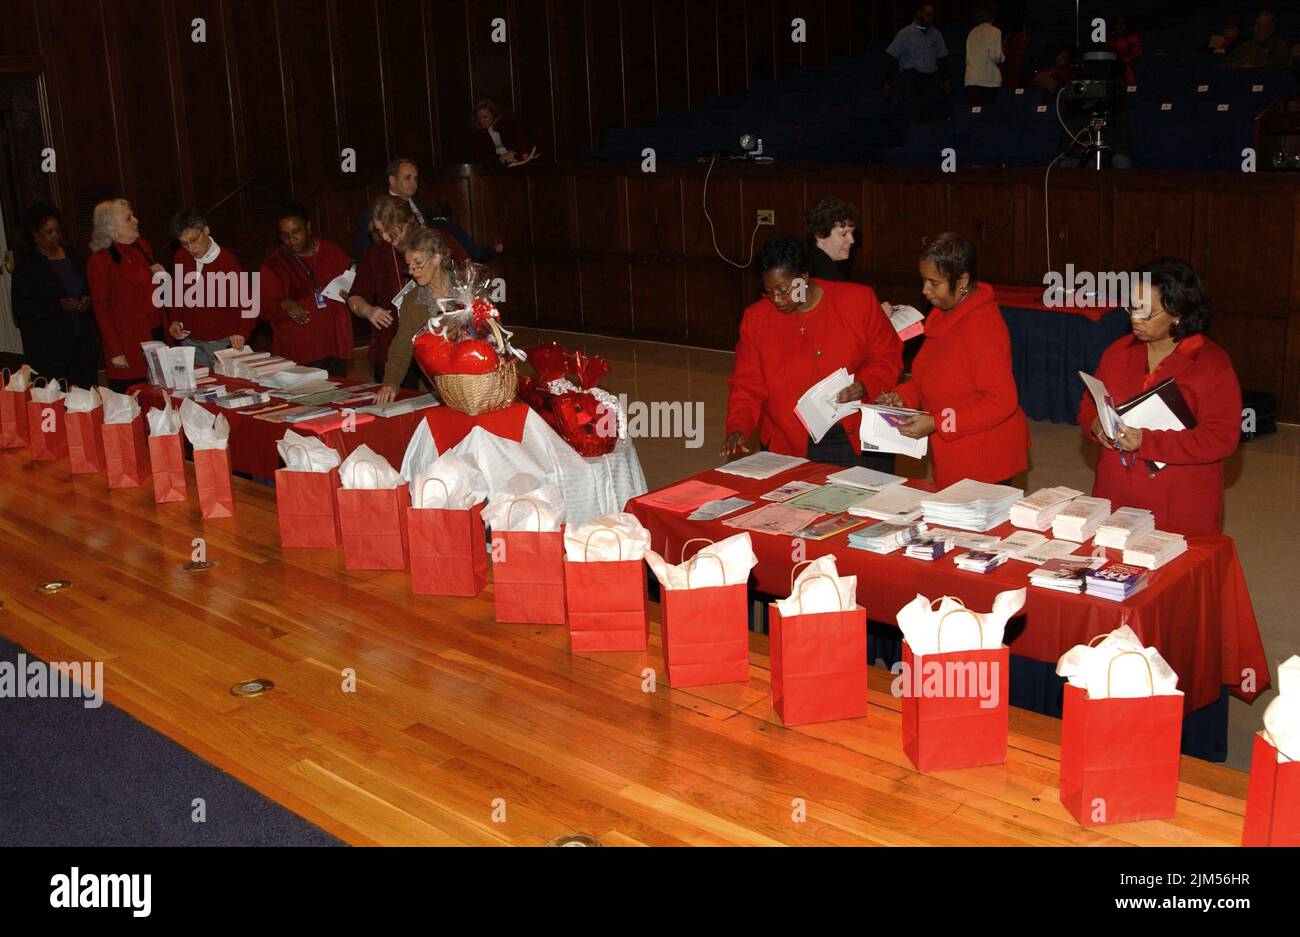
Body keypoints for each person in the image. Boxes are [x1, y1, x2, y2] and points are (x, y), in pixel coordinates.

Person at [1077, 259, 1241, 535]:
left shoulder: (1212, 364)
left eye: (1147, 312)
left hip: (1179, 498)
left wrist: (1147, 441)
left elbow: (1220, 438)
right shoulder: (1118, 351)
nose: (1135, 319)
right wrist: (1095, 425)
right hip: (1117, 490)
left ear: (1178, 313)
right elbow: (1089, 404)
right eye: (1132, 308)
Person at [722, 236, 902, 471]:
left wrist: (865, 384)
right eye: (768, 291)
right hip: (788, 439)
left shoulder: (857, 301)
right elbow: (747, 384)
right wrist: (739, 426)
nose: (776, 300)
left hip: (854, 434)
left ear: (804, 277)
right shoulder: (756, 318)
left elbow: (887, 355)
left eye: (783, 290)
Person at [875, 232, 1029, 487]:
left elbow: (1001, 400)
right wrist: (903, 397)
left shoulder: (982, 327)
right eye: (924, 281)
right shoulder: (943, 314)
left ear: (962, 282)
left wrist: (937, 422)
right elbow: (933, 375)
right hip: (955, 448)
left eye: (934, 283)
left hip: (984, 456)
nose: (925, 291)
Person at [9, 201, 97, 388]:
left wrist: (85, 300)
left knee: (86, 393)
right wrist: (58, 306)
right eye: (49, 232)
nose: (55, 236)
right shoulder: (27, 267)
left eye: (58, 230)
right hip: (49, 348)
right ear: (35, 235)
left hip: (81, 343)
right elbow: (22, 311)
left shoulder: (72, 256)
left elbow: (86, 286)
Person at [259, 203, 353, 376]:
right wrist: (285, 304)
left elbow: (354, 285)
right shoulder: (274, 264)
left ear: (308, 227)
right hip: (299, 350)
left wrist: (352, 295)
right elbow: (263, 307)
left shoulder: (332, 252)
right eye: (284, 235)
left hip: (335, 343)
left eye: (296, 232)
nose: (291, 239)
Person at [86, 198, 167, 392]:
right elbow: (101, 310)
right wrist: (115, 351)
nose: (136, 221)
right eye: (128, 218)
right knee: (134, 397)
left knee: (163, 396)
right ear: (111, 228)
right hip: (128, 342)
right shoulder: (100, 261)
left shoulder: (142, 248)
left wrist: (159, 276)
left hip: (156, 333)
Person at [165, 209, 253, 369]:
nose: (191, 248)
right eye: (184, 243)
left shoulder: (227, 262)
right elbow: (177, 293)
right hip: (190, 339)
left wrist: (242, 332)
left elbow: (249, 303)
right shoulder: (181, 256)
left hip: (221, 341)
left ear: (206, 230)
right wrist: (176, 320)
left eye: (194, 240)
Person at [373, 227, 452, 406]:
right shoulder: (412, 299)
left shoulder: (465, 289)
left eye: (418, 263)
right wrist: (391, 383)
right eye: (409, 265)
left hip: (471, 383)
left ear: (437, 257)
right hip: (433, 390)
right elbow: (402, 344)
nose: (413, 271)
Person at [348, 196, 418, 386]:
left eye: (390, 229)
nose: (386, 237)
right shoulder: (376, 254)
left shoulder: (430, 244)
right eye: (380, 231)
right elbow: (354, 297)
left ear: (406, 222)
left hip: (431, 342)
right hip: (390, 346)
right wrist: (368, 310)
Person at [884, 4, 951, 126]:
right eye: (928, 15)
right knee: (913, 114)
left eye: (932, 16)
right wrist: (888, 83)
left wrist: (945, 79)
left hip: (931, 78)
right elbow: (892, 57)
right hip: (911, 78)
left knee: (931, 114)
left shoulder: (936, 34)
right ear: (919, 14)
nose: (930, 19)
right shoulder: (905, 33)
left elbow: (942, 58)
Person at [353, 157, 430, 261]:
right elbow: (364, 254)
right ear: (393, 180)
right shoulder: (376, 212)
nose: (414, 183)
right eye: (408, 178)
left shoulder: (418, 203)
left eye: (415, 178)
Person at [428, 200, 503, 264]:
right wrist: (495, 250)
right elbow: (476, 254)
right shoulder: (453, 229)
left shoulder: (425, 229)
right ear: (448, 215)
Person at [805, 197, 860, 282]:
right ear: (820, 235)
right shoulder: (823, 274)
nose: (852, 240)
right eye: (843, 234)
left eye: (852, 233)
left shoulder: (810, 261)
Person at [471, 99, 537, 165]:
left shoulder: (506, 123)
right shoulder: (478, 132)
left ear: (493, 114)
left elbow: (520, 138)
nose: (482, 121)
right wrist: (501, 157)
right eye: (479, 118)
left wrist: (523, 152)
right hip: (494, 164)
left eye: (485, 117)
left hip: (514, 160)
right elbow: (481, 156)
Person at [965, 3, 1005, 107]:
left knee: (975, 113)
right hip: (988, 79)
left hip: (971, 79)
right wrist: (1002, 56)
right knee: (989, 112)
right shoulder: (995, 32)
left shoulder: (972, 32)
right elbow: (996, 56)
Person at [1224, 12, 1290, 69]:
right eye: (1257, 25)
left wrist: (1256, 68)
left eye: (1264, 26)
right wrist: (1238, 65)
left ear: (1272, 29)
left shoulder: (1278, 46)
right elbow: (1226, 63)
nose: (1259, 29)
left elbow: (1278, 65)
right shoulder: (1246, 46)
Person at [1106, 16, 1142, 86]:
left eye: (1122, 25)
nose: (1120, 28)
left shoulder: (1133, 39)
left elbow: (1137, 53)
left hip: (1128, 67)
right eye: (1117, 25)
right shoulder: (1109, 42)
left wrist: (1124, 60)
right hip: (1114, 68)